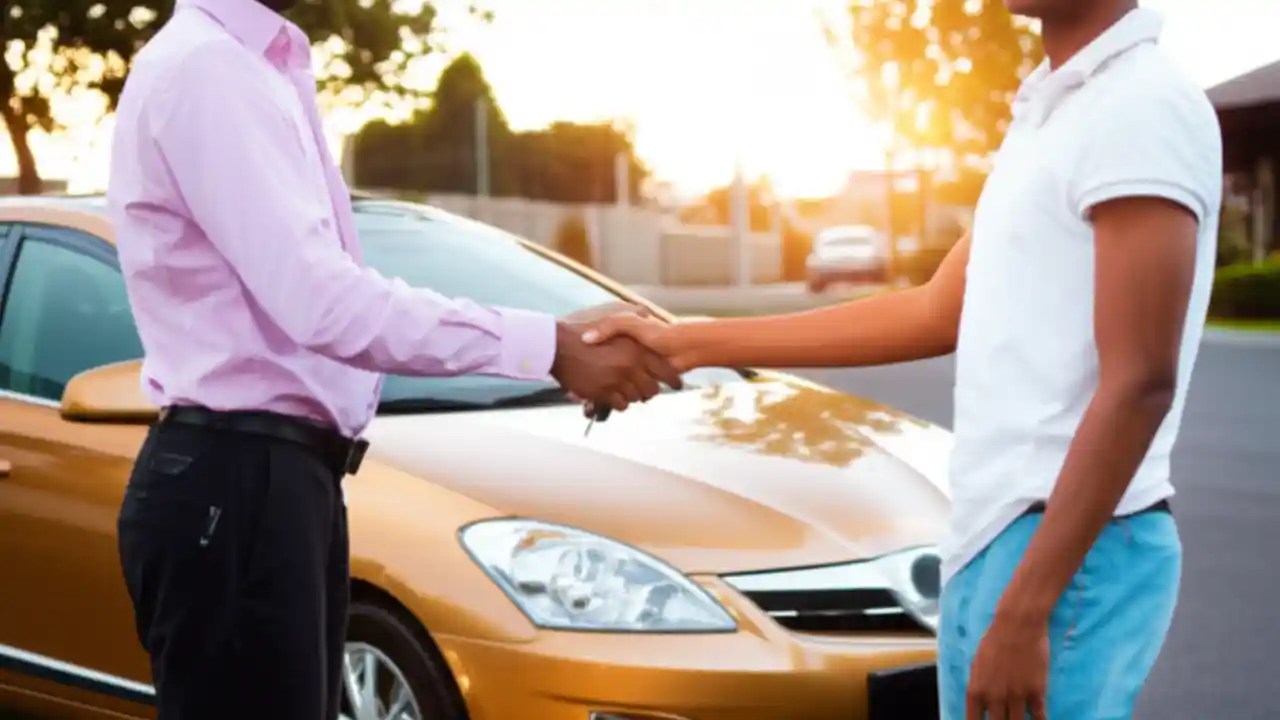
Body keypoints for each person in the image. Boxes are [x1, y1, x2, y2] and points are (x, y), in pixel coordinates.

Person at [584, 2, 1222, 718]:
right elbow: (934, 310)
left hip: (1070, 553)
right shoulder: (1057, 110)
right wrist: (691, 342)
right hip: (999, 540)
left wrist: (1025, 610)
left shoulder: (1141, 106)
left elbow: (1140, 382)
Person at [106, 0, 678, 716]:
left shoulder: (251, 66)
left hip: (269, 483)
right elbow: (324, 302)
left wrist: (556, 335)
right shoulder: (208, 69)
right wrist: (548, 346)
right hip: (240, 485)